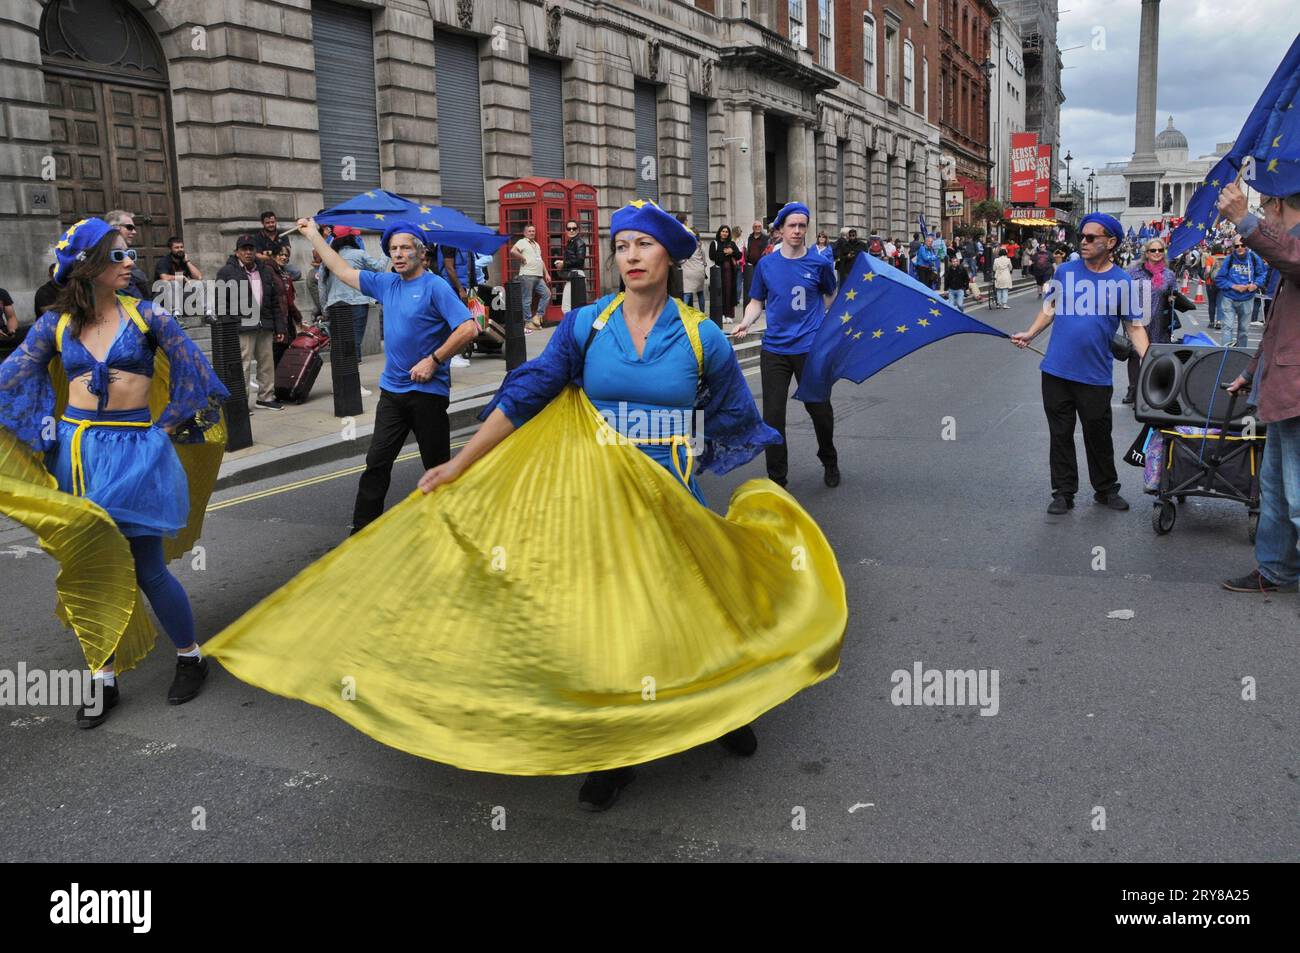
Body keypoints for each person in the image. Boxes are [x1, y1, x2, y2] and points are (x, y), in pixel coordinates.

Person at [203, 198, 847, 812]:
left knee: (694, 608)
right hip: (598, 499)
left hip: (672, 495)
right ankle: (615, 750)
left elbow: (732, 419)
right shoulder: (586, 324)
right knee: (613, 621)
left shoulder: (703, 336)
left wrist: (680, 454)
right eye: (620, 246)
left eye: (643, 244)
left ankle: (723, 711)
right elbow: (528, 392)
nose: (629, 256)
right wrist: (459, 462)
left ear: (670, 256)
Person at [0, 217, 229, 727]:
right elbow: (11, 376)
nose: (131, 263)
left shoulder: (149, 318)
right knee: (90, 564)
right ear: (90, 267)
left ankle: (191, 656)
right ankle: (102, 678)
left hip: (137, 451)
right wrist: (42, 429)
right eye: (120, 256)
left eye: (129, 255)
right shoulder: (55, 324)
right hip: (78, 453)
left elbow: (197, 374)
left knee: (147, 566)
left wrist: (163, 430)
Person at [298, 218, 479, 534]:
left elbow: (468, 327)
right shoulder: (386, 283)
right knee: (376, 463)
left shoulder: (435, 285)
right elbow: (342, 271)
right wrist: (313, 235)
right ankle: (362, 532)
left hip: (428, 395)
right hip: (393, 393)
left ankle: (454, 528)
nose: (397, 254)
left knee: (437, 468)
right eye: (393, 248)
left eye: (405, 248)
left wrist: (433, 360)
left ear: (421, 253)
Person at [1011, 212, 1150, 515]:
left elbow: (1134, 327)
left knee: (1097, 434)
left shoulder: (1123, 282)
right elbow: (1050, 308)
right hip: (1056, 371)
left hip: (1095, 375)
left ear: (1110, 242)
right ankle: (1063, 492)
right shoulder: (1064, 271)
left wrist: (1152, 361)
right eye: (1081, 237)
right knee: (1060, 435)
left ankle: (1105, 489)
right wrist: (1030, 333)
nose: (1082, 242)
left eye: (1091, 237)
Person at [1218, 185, 1300, 594]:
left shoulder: (1290, 249)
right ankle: (1276, 570)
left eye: (1265, 207)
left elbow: (1290, 255)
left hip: (1298, 395)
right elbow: (1276, 331)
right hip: (1283, 391)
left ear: (1278, 204)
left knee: (1298, 497)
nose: (1263, 214)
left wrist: (1243, 221)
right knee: (1278, 494)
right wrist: (1251, 373)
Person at [733, 201, 840, 488]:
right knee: (772, 417)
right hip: (775, 351)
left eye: (802, 225)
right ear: (780, 230)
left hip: (809, 349)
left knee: (819, 409)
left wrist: (827, 324)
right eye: (791, 225)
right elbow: (757, 301)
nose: (797, 231)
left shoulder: (819, 263)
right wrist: (746, 322)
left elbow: (831, 298)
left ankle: (829, 458)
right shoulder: (767, 264)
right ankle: (777, 479)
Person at [216, 234, 284, 410]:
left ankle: (266, 397)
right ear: (237, 252)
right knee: (243, 365)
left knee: (267, 364)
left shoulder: (265, 270)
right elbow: (221, 302)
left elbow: (274, 301)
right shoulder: (226, 272)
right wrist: (229, 326)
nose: (248, 252)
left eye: (251, 249)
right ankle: (241, 402)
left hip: (264, 323)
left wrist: (279, 326)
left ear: (256, 251)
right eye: (244, 249)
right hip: (242, 325)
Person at [1122, 236, 1192, 404]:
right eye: (1153, 250)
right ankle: (1134, 389)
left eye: (1160, 250)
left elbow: (1173, 292)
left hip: (1159, 320)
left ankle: (1151, 389)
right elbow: (1123, 291)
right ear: (1146, 252)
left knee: (1155, 354)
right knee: (1134, 354)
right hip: (1136, 319)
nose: (1157, 253)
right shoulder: (1133, 271)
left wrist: (1173, 298)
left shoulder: (1168, 275)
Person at [319, 225, 384, 383]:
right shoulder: (359, 254)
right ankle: (353, 385)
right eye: (355, 236)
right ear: (350, 238)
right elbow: (380, 268)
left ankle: (341, 383)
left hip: (335, 305)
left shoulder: (328, 256)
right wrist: (385, 250)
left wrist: (324, 307)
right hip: (357, 303)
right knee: (354, 343)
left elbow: (322, 284)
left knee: (339, 345)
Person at [1215, 235, 1267, 347]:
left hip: (1247, 298)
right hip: (1229, 298)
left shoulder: (1254, 258)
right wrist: (1234, 286)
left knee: (1243, 330)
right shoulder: (1229, 259)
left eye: (1242, 245)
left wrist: (1256, 284)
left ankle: (1241, 354)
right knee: (1227, 327)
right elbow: (1219, 279)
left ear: (1247, 246)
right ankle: (1225, 353)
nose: (1240, 248)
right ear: (1233, 247)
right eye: (1237, 246)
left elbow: (1262, 274)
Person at [510, 223, 551, 331]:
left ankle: (537, 316)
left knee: (547, 294)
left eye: (533, 231)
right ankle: (528, 322)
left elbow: (540, 260)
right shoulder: (522, 242)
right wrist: (522, 258)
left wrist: (546, 273)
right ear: (525, 233)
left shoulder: (536, 244)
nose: (532, 233)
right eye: (530, 231)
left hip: (538, 276)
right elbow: (513, 251)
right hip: (527, 275)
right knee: (527, 299)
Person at [104, 209, 151, 299]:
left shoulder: (127, 254)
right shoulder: (105, 257)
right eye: (129, 227)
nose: (134, 232)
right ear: (114, 227)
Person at [269, 245, 303, 367]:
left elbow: (289, 300)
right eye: (280, 254)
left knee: (284, 353)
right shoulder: (269, 271)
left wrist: (297, 318)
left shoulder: (284, 274)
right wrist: (298, 318)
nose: (283, 257)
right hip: (277, 320)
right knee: (278, 354)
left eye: (286, 255)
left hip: (286, 318)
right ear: (273, 255)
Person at [709, 224, 741, 322]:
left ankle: (729, 315)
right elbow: (712, 256)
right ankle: (721, 314)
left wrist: (732, 252)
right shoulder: (714, 243)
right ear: (719, 232)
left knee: (729, 293)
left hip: (730, 273)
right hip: (718, 273)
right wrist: (724, 253)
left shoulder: (732, 243)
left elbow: (739, 255)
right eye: (723, 231)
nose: (725, 233)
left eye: (726, 232)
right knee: (720, 293)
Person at [555, 219, 588, 313]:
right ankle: (574, 326)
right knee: (573, 308)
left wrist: (563, 263)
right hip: (573, 276)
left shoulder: (579, 242)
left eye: (574, 228)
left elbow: (580, 260)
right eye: (569, 228)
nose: (571, 230)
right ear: (566, 230)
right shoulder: (571, 242)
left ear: (578, 230)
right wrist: (563, 263)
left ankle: (572, 327)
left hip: (576, 276)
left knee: (568, 308)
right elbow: (574, 259)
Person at [681, 231, 708, 314]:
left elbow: (681, 260)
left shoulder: (685, 246)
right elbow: (704, 262)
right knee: (700, 293)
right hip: (699, 271)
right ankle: (702, 313)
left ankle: (683, 314)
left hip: (688, 271)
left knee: (687, 294)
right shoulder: (700, 246)